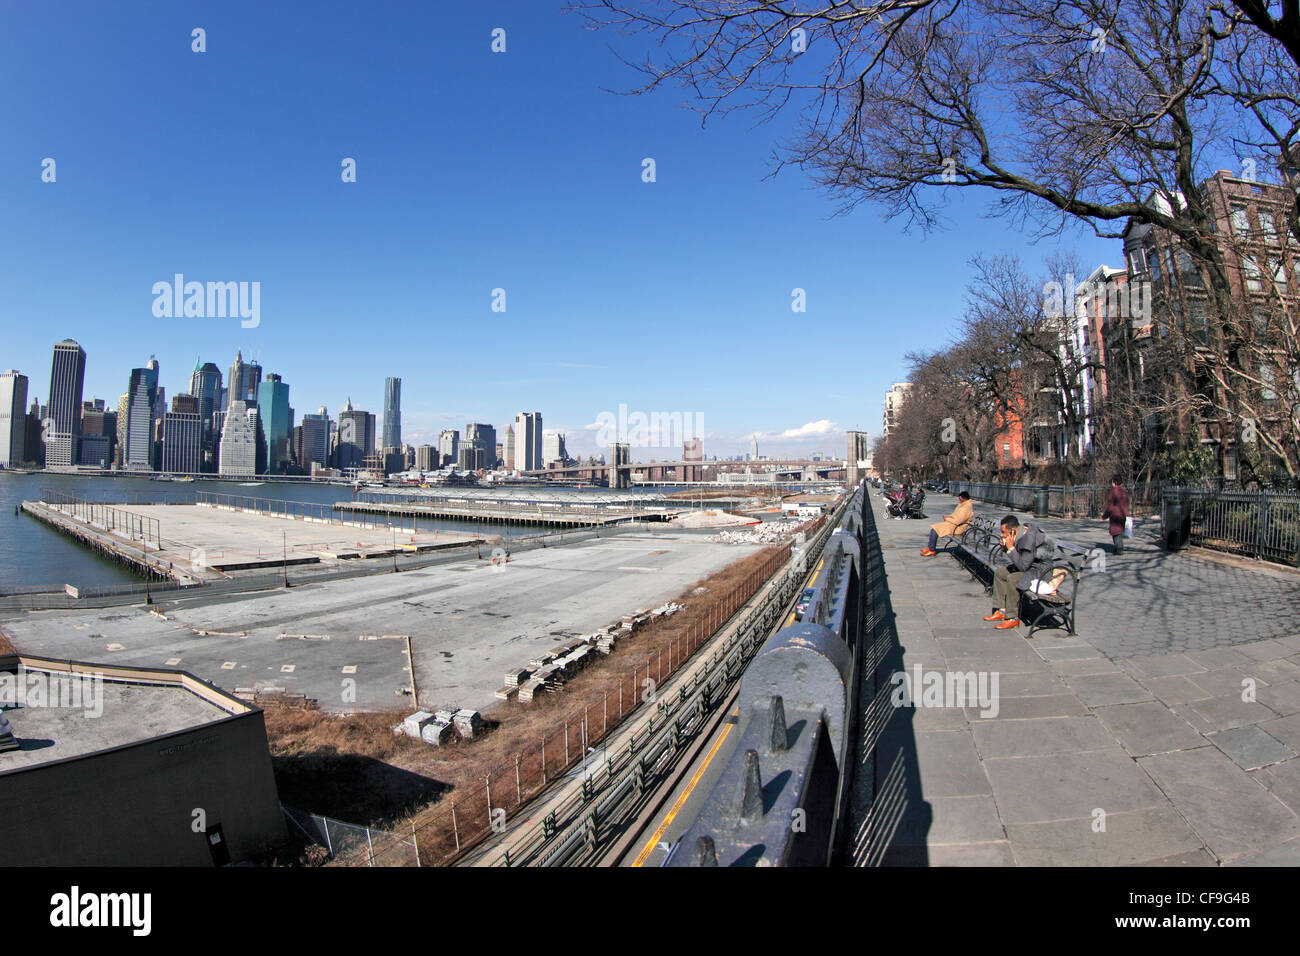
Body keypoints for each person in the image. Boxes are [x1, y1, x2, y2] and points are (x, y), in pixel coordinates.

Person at [984, 515, 1052, 630]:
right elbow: (1021, 560)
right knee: (1001, 573)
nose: (1002, 535)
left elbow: (1023, 567)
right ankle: (1001, 610)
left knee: (1013, 579)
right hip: (1030, 568)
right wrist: (1006, 549)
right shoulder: (1020, 535)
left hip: (1040, 572)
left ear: (1013, 531)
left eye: (1003, 532)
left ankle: (1012, 618)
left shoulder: (1028, 539)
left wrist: (1010, 549)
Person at [921, 491, 972, 556]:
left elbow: (958, 521)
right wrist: (949, 516)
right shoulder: (963, 505)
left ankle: (932, 550)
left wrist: (947, 519)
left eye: (960, 499)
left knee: (935, 530)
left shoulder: (966, 507)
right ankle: (930, 548)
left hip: (958, 527)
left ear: (964, 498)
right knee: (934, 528)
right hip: (954, 525)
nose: (959, 500)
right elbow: (955, 515)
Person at [1103, 474, 1130, 555]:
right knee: (1119, 531)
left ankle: (1119, 548)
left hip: (1115, 514)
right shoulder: (1124, 491)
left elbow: (1110, 505)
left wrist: (1105, 515)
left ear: (1114, 482)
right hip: (1123, 514)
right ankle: (1118, 547)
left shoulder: (1113, 492)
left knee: (1115, 532)